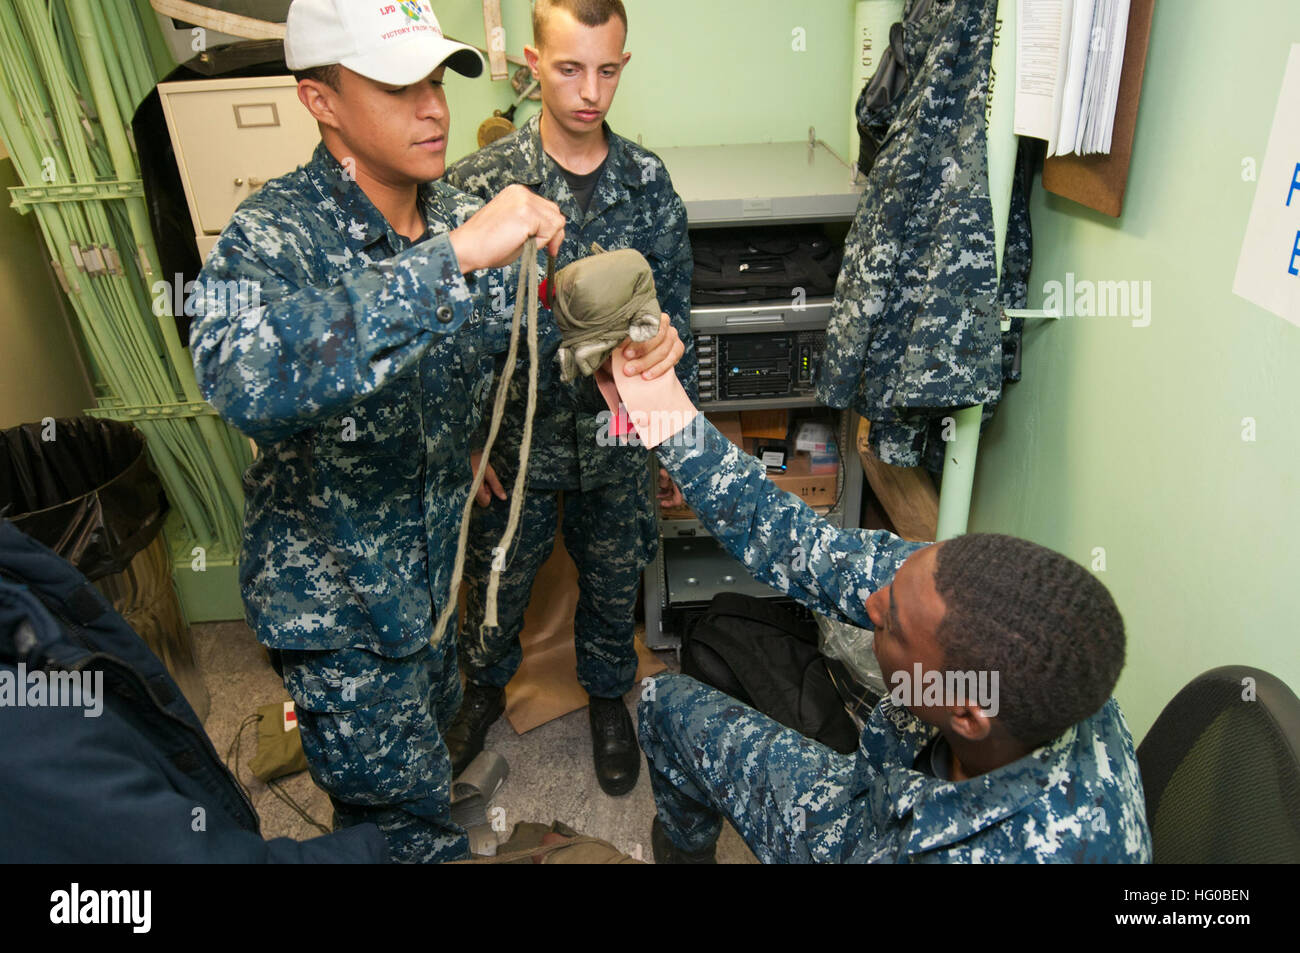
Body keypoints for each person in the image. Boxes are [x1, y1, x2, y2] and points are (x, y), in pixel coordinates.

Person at [190, 0, 682, 863]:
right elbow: (241, 376)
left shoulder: (459, 204)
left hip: (437, 587)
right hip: (345, 612)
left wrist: (635, 337)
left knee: (428, 778)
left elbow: (517, 342)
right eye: (395, 84)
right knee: (394, 833)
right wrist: (448, 260)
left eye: (435, 80)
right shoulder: (275, 233)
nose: (431, 107)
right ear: (320, 100)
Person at [606, 357, 1152, 863]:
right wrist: (657, 397)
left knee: (663, 701)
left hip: (874, 837)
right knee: (675, 697)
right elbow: (801, 544)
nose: (870, 605)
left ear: (965, 711)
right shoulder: (1021, 651)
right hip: (885, 780)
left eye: (890, 624)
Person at [441, 0, 696, 795]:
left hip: (615, 433)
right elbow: (446, 329)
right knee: (498, 574)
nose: (591, 91)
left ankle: (607, 695)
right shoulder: (483, 184)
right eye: (569, 67)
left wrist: (664, 351)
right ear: (531, 63)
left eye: (609, 70)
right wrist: (466, 441)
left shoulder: (647, 182)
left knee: (617, 575)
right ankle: (481, 690)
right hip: (515, 438)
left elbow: (675, 310)